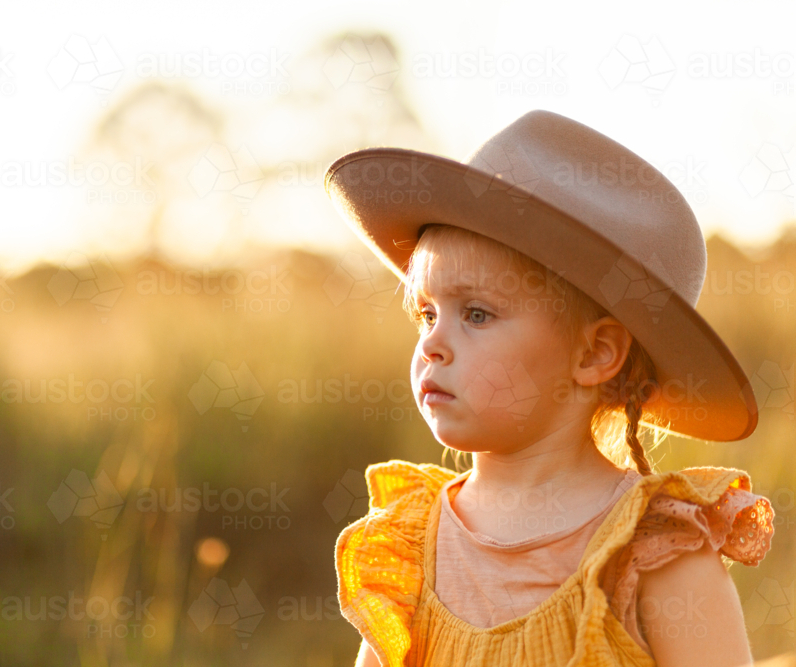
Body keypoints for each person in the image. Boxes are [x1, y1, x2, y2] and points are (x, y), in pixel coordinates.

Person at [323, 110, 775, 667]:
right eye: (426, 314)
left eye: (478, 314)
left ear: (595, 354)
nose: (433, 344)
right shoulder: (412, 543)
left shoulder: (656, 550)